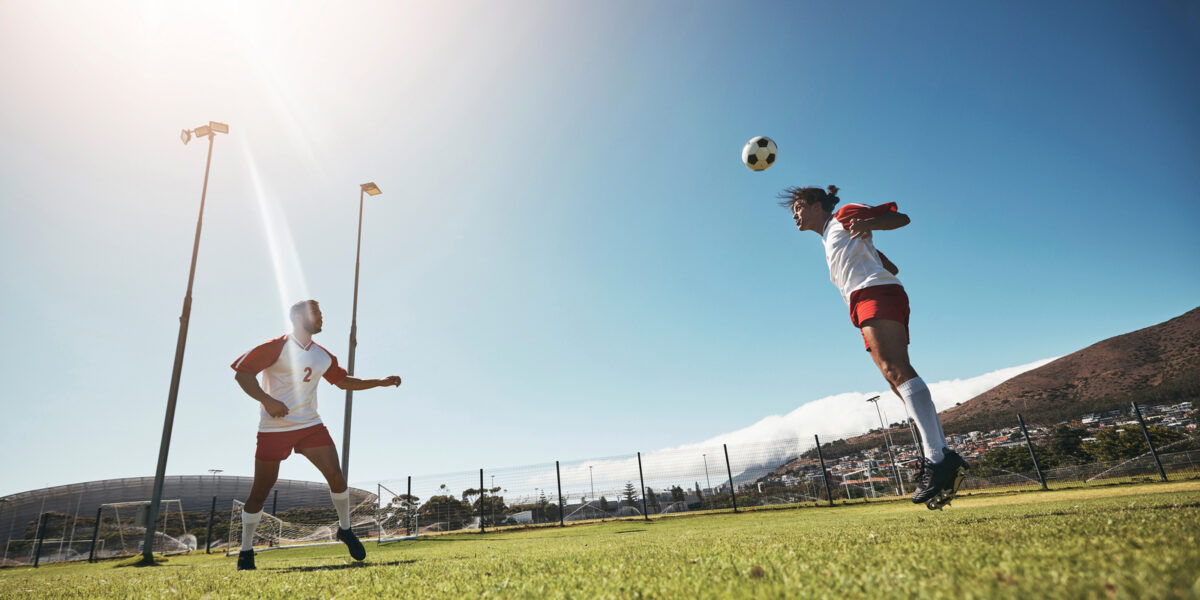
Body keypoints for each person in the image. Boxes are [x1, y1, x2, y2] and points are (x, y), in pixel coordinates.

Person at [779, 185, 965, 507]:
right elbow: (889, 266)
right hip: (866, 297)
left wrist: (870, 226)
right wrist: (871, 249)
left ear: (816, 204)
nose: (794, 214)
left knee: (897, 370)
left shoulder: (843, 214)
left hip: (874, 294)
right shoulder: (830, 237)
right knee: (895, 379)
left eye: (798, 207)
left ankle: (938, 459)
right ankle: (942, 455)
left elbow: (900, 218)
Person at [230, 299, 402, 570]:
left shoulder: (323, 355)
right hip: (274, 429)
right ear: (299, 317)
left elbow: (344, 381)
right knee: (260, 492)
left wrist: (379, 382)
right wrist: (267, 400)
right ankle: (246, 550)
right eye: (316, 314)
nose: (321, 318)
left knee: (336, 475)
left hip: (310, 426)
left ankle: (345, 529)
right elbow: (243, 373)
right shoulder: (276, 347)